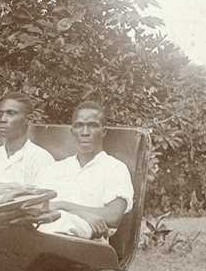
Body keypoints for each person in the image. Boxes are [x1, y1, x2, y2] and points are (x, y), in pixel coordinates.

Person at [35, 101, 135, 240]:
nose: (85, 132)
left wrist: (62, 205)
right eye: (79, 125)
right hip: (46, 236)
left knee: (57, 223)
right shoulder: (54, 169)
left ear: (103, 131)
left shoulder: (115, 168)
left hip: (89, 246)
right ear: (72, 131)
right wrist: (85, 214)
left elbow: (113, 217)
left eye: (92, 126)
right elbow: (35, 207)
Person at [0, 91, 55, 193]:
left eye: (11, 113)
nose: (2, 119)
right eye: (0, 114)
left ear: (29, 119)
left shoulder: (41, 159)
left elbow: (42, 203)